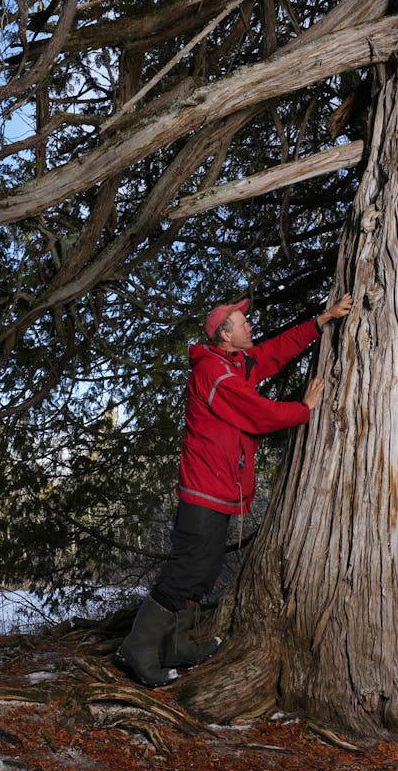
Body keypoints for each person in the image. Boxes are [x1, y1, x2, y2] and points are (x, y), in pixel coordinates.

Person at [118, 291, 354, 686]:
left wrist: (321, 321)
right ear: (225, 334)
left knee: (204, 571)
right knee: (185, 570)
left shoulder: (235, 362)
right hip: (203, 490)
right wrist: (304, 409)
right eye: (243, 323)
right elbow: (256, 413)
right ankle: (138, 648)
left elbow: (274, 352)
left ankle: (175, 644)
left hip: (220, 488)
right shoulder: (214, 372)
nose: (250, 326)